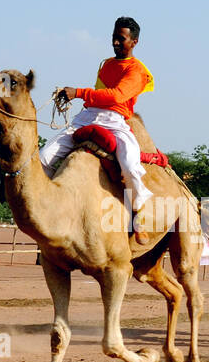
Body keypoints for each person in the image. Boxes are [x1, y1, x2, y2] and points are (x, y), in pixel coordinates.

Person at [39, 16, 155, 244]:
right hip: (87, 117)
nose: (115, 43)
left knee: (131, 166)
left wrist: (78, 92)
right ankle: (53, 207)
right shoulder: (106, 64)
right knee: (44, 157)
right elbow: (100, 95)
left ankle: (138, 215)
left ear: (134, 42)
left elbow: (117, 96)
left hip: (116, 120)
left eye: (121, 39)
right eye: (114, 38)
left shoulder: (137, 71)